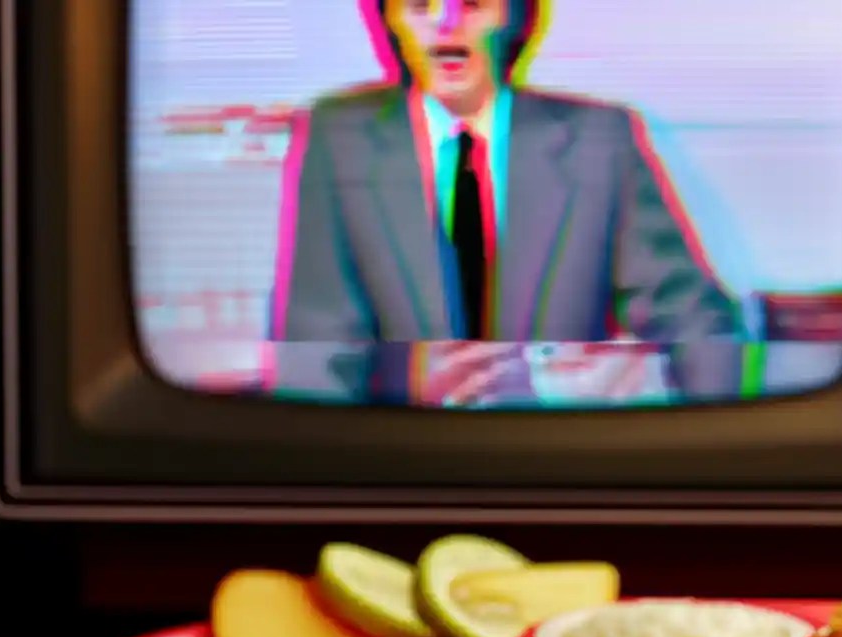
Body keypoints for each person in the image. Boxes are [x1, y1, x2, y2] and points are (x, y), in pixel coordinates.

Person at [268, 0, 745, 405]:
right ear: (388, 21)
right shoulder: (339, 135)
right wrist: (404, 381)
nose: (446, 23)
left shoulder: (599, 139)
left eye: (472, 4)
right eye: (419, 5)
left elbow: (696, 323)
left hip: (558, 469)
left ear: (514, 16)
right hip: (402, 465)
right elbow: (315, 347)